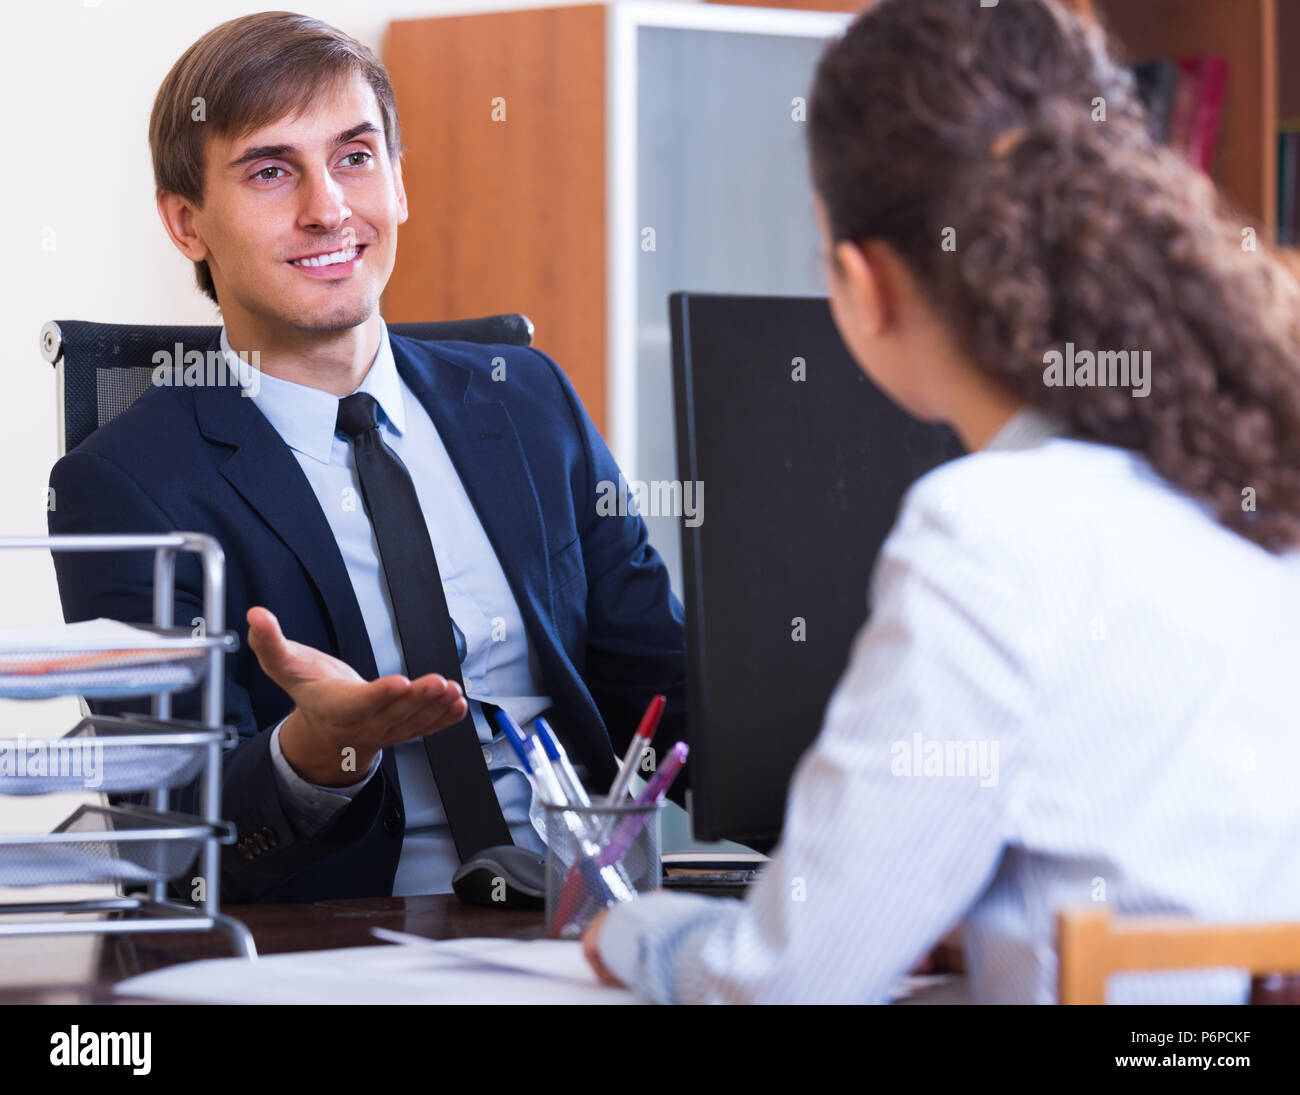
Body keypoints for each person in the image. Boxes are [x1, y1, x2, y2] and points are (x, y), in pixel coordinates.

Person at [582, 0, 1300, 1004]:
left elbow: (786, 983)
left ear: (862, 285)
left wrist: (634, 931)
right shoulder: (1256, 472)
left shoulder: (988, 529)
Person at [46, 12, 686, 904]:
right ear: (187, 223)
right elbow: (177, 843)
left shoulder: (526, 397)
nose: (329, 208)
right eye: (273, 171)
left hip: (589, 926)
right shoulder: (123, 487)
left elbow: (661, 685)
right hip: (352, 944)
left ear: (397, 181)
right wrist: (317, 754)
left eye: (355, 157)